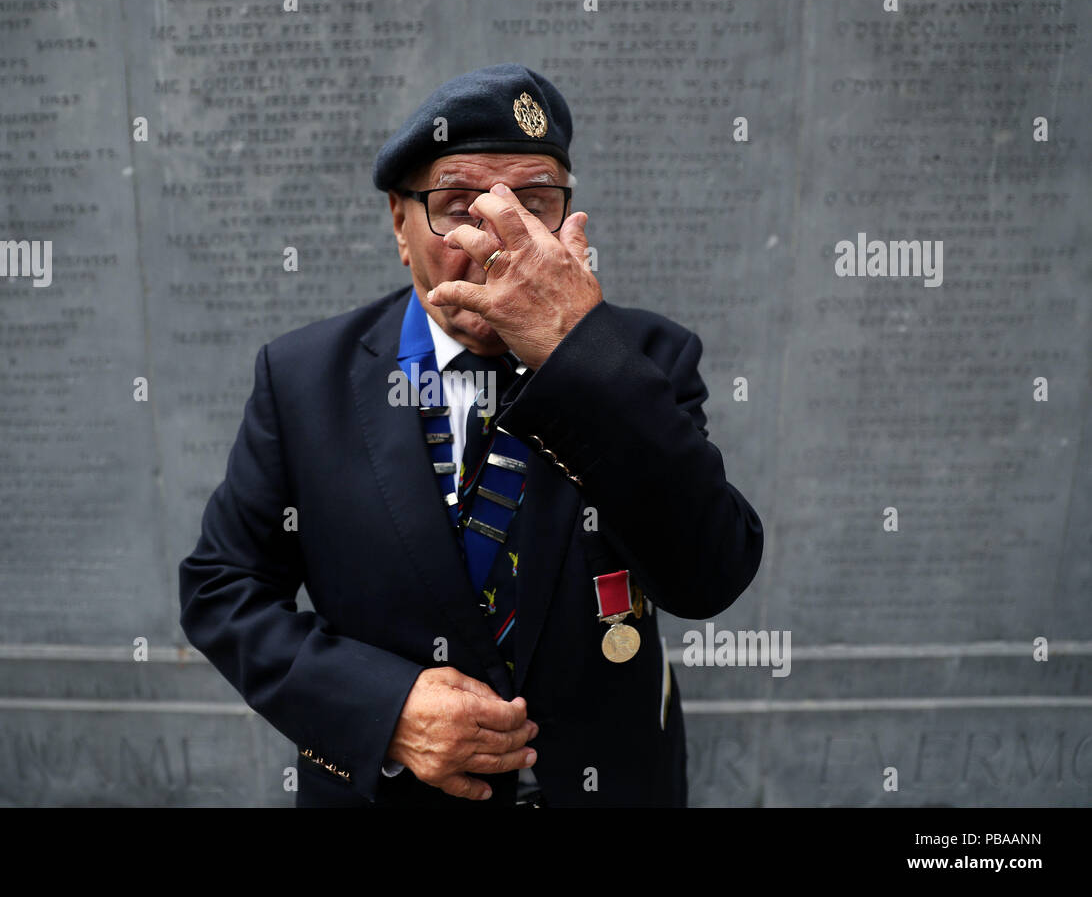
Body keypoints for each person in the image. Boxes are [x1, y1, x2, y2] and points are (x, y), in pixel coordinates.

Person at [179, 63, 764, 807]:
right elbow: (221, 589)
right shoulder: (302, 379)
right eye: (457, 203)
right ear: (400, 224)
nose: (497, 236)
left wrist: (578, 358)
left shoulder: (645, 361)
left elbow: (708, 575)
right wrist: (386, 709)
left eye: (533, 202)